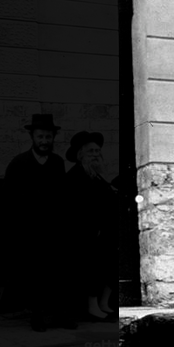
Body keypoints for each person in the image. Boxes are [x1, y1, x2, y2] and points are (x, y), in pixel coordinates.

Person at [4, 114, 71, 331]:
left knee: (58, 273)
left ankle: (60, 315)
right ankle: (38, 316)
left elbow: (63, 196)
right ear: (32, 137)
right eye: (40, 136)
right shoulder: (19, 163)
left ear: (53, 138)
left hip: (54, 229)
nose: (44, 141)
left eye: (48, 137)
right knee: (35, 275)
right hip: (30, 230)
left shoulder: (57, 163)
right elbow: (10, 199)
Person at [64, 131, 118, 321]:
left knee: (109, 266)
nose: (96, 154)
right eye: (90, 151)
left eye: (97, 150)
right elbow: (79, 207)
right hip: (87, 233)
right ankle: (92, 306)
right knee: (93, 269)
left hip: (104, 231)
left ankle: (104, 303)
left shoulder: (96, 175)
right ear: (80, 154)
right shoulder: (76, 176)